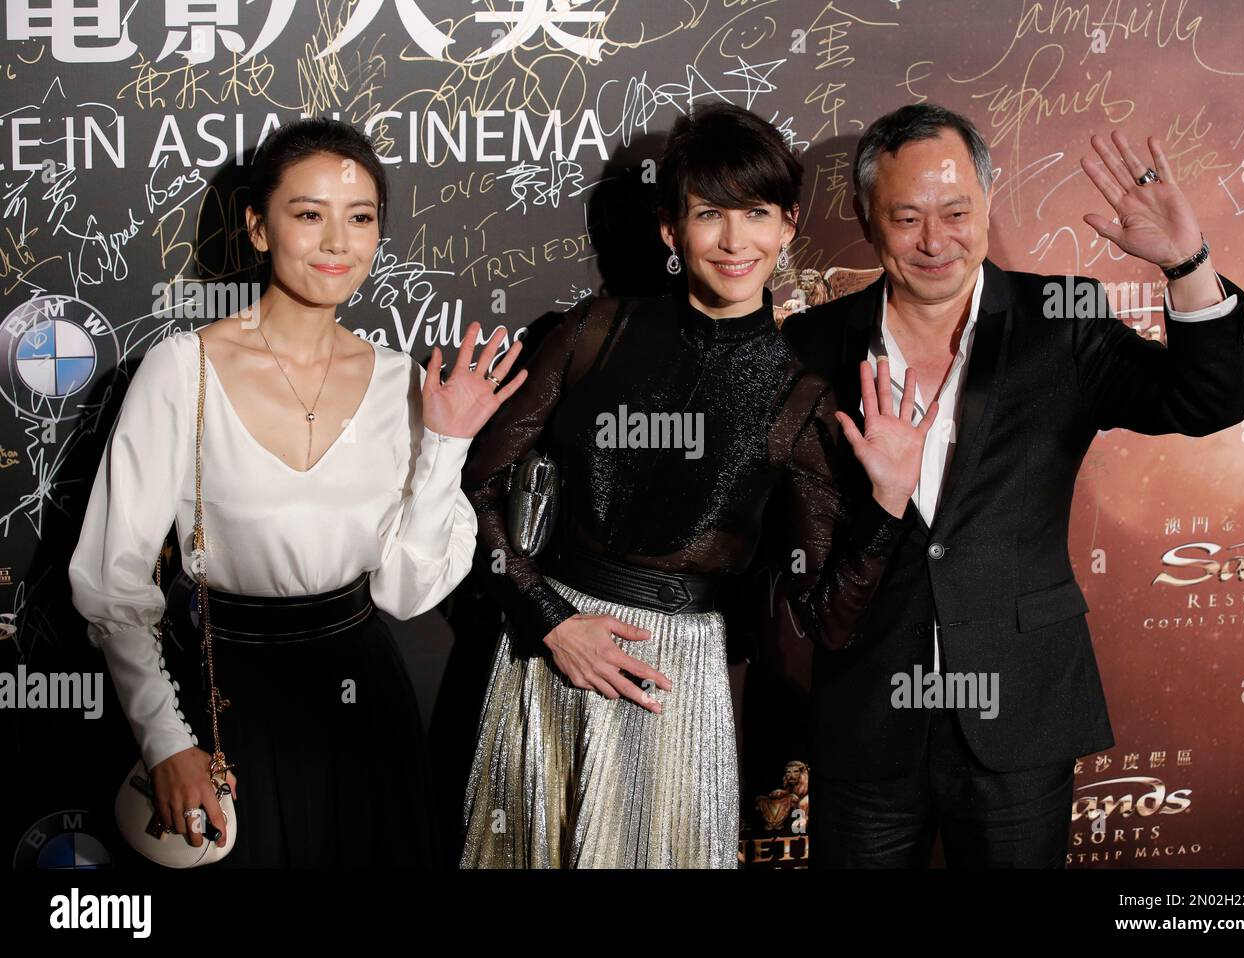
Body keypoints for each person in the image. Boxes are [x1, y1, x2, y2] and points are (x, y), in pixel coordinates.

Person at [458, 103, 935, 869]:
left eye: (755, 213)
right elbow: (478, 488)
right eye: (710, 213)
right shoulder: (593, 331)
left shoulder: (800, 395)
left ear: (787, 226)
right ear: (671, 230)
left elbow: (829, 620)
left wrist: (887, 501)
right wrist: (551, 619)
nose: (734, 240)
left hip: (671, 680)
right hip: (545, 655)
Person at [780, 103, 1244, 868]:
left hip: (1020, 716)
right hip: (867, 723)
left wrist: (1187, 263)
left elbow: (1209, 400)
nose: (935, 241)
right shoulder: (808, 344)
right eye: (906, 217)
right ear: (869, 221)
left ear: (989, 202)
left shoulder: (1059, 320)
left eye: (956, 211)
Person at [69, 117, 526, 867]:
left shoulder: (400, 383)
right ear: (257, 227)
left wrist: (446, 442)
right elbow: (111, 582)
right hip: (220, 698)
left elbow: (407, 593)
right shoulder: (181, 372)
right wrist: (165, 742)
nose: (337, 242)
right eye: (308, 215)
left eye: (360, 218)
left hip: (363, 701)